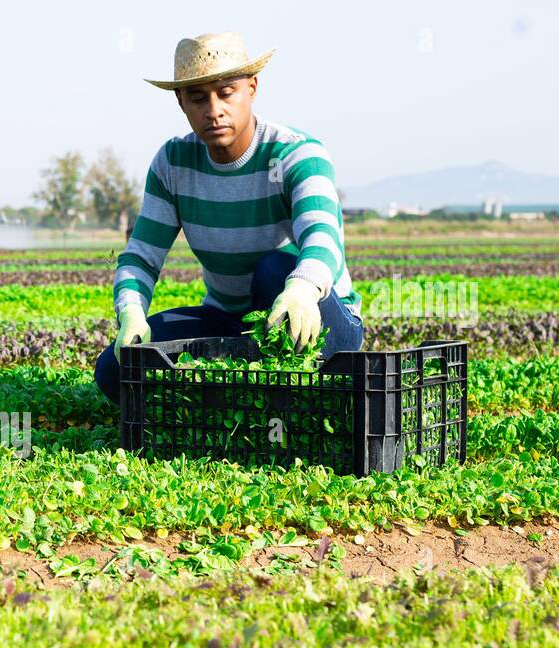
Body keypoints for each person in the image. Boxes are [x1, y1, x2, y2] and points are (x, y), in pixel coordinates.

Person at [95, 32, 364, 404]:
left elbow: (322, 235)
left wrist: (302, 288)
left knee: (273, 269)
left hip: (315, 316)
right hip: (230, 322)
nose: (213, 109)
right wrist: (131, 311)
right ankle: (242, 397)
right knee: (115, 368)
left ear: (252, 88)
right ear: (180, 102)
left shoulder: (297, 155)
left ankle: (270, 391)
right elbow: (141, 255)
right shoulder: (174, 163)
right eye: (197, 97)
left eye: (226, 92)